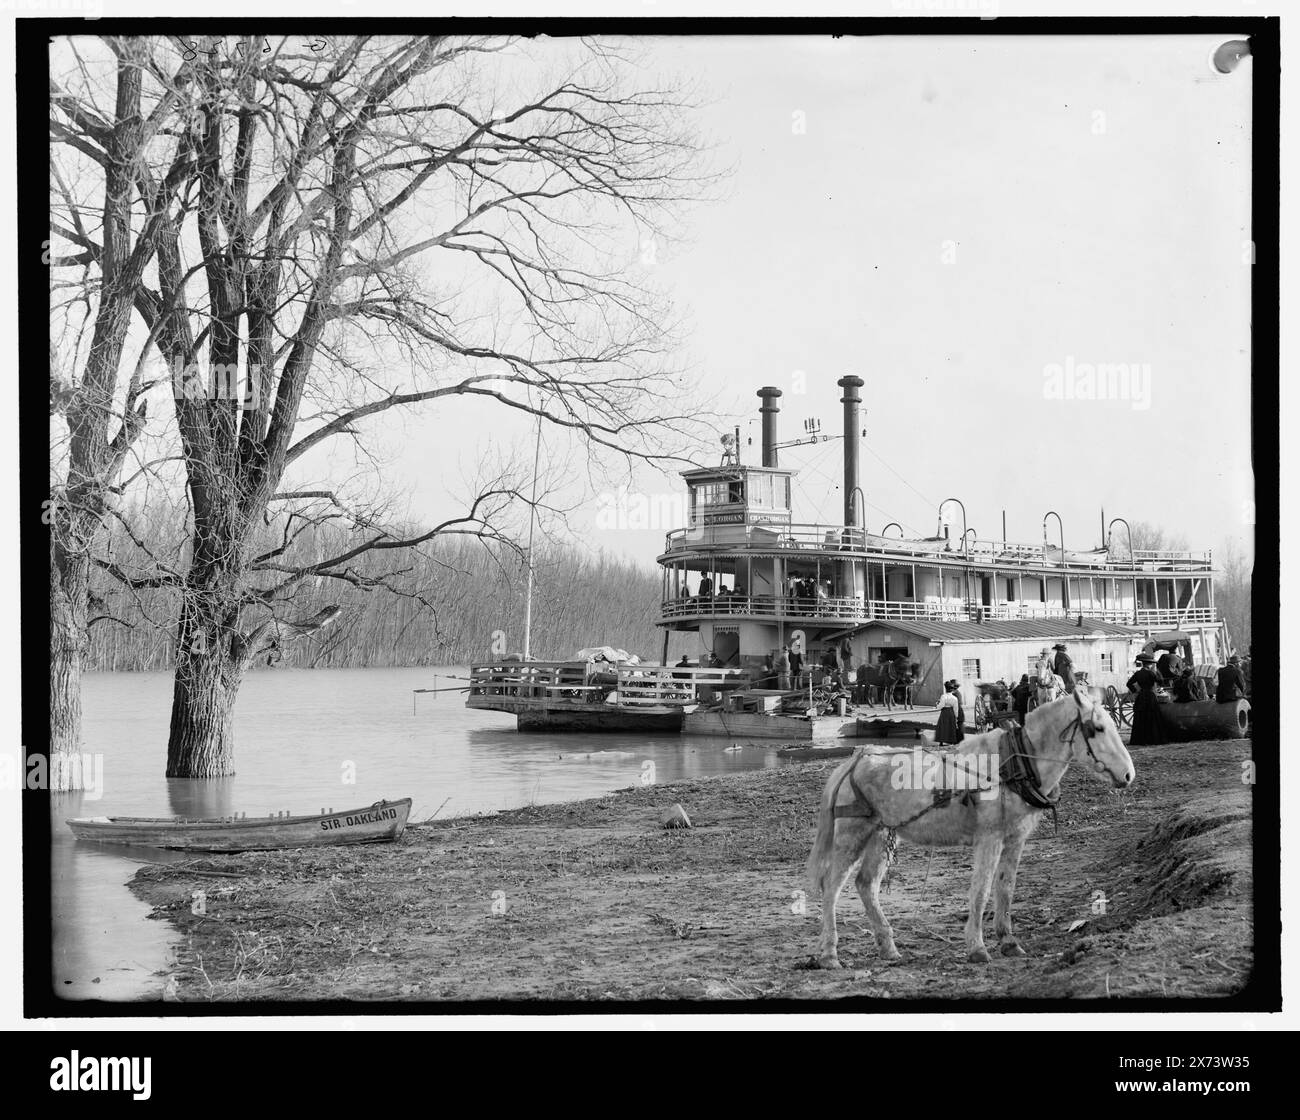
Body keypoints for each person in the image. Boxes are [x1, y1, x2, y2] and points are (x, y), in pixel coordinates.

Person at [1126, 653, 1165, 746]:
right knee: (1152, 717)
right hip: (1150, 696)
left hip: (1141, 696)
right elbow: (1160, 682)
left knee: (1141, 717)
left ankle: (1141, 739)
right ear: (1149, 664)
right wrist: (1158, 673)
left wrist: (1136, 690)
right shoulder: (1151, 673)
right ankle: (1152, 739)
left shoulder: (1138, 673)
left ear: (1143, 664)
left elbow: (1129, 684)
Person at [935, 681, 965, 745]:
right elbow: (955, 708)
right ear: (952, 689)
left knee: (943, 726)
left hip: (944, 712)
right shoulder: (954, 698)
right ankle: (952, 740)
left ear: (946, 689)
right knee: (951, 726)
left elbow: (941, 706)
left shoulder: (943, 696)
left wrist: (937, 705)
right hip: (951, 712)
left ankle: (941, 741)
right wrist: (956, 716)